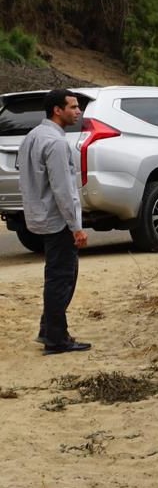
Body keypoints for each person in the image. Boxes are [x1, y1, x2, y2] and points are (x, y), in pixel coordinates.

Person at [18, 89, 90, 354]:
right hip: (58, 221)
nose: (78, 111)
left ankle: (49, 330)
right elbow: (63, 190)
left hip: (41, 216)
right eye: (73, 107)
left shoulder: (34, 136)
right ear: (57, 110)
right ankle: (56, 339)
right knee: (62, 278)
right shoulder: (56, 143)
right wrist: (76, 227)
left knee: (57, 276)